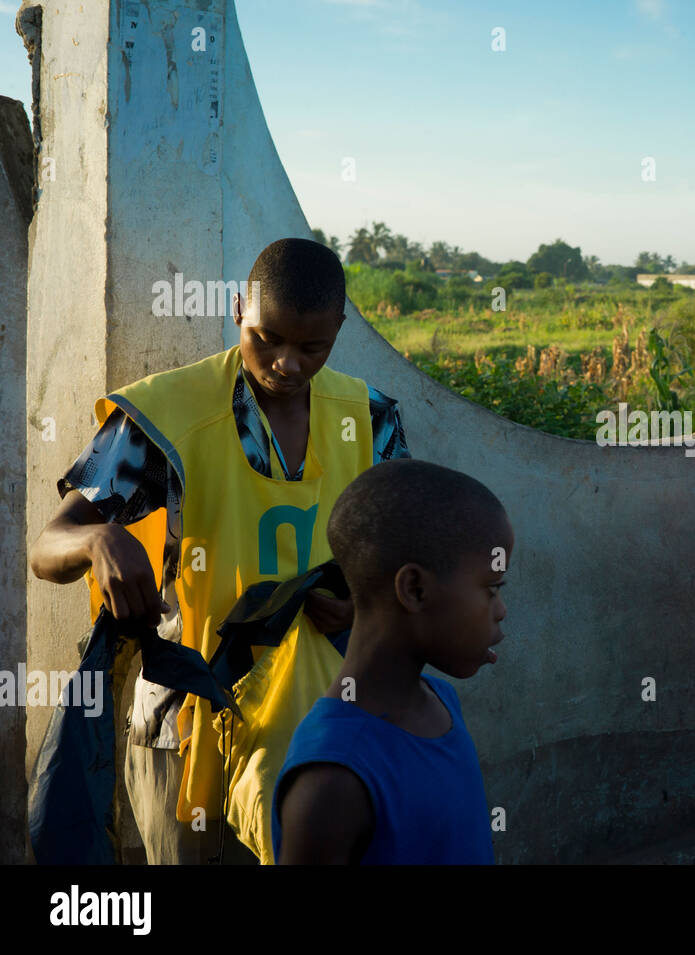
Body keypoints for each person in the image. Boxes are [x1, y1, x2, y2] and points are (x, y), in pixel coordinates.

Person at [29, 237, 411, 864]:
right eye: (267, 339)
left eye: (312, 347)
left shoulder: (369, 420)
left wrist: (365, 607)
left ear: (340, 329)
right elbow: (48, 547)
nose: (287, 363)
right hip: (184, 721)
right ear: (238, 310)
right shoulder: (165, 416)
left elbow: (406, 558)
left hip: (323, 714)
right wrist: (98, 539)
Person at [272, 460, 510, 865]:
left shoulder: (441, 702)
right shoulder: (333, 780)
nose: (501, 610)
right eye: (491, 588)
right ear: (414, 589)